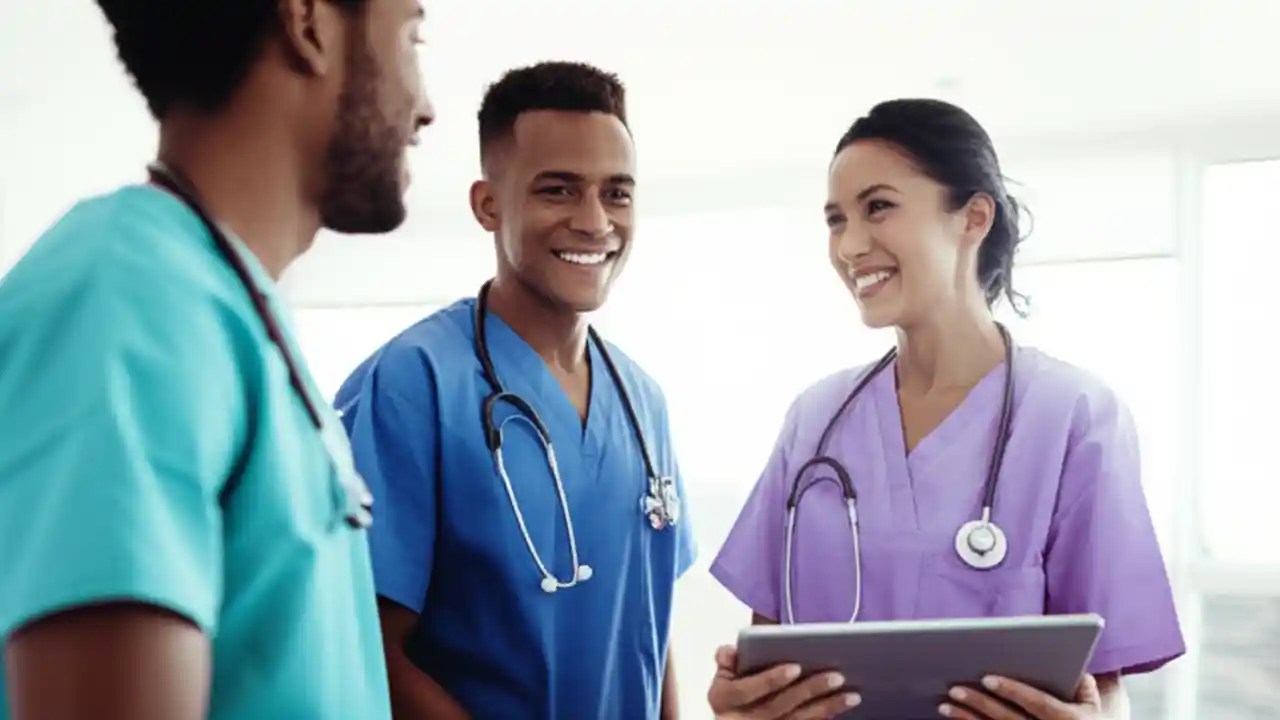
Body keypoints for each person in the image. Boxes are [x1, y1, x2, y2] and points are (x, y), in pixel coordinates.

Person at [0, 1, 433, 718]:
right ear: (308, 23)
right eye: (412, 34)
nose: (426, 108)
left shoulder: (232, 316)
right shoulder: (128, 299)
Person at [704, 99, 1185, 720]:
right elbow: (766, 669)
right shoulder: (816, 420)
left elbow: (1104, 692)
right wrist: (740, 707)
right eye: (834, 219)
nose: (850, 245)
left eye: (878, 207)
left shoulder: (1075, 418)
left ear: (973, 217)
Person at [332, 60, 696, 719]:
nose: (595, 222)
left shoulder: (644, 403)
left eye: (617, 193)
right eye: (558, 190)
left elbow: (651, 627)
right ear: (488, 203)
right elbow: (363, 648)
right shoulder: (412, 384)